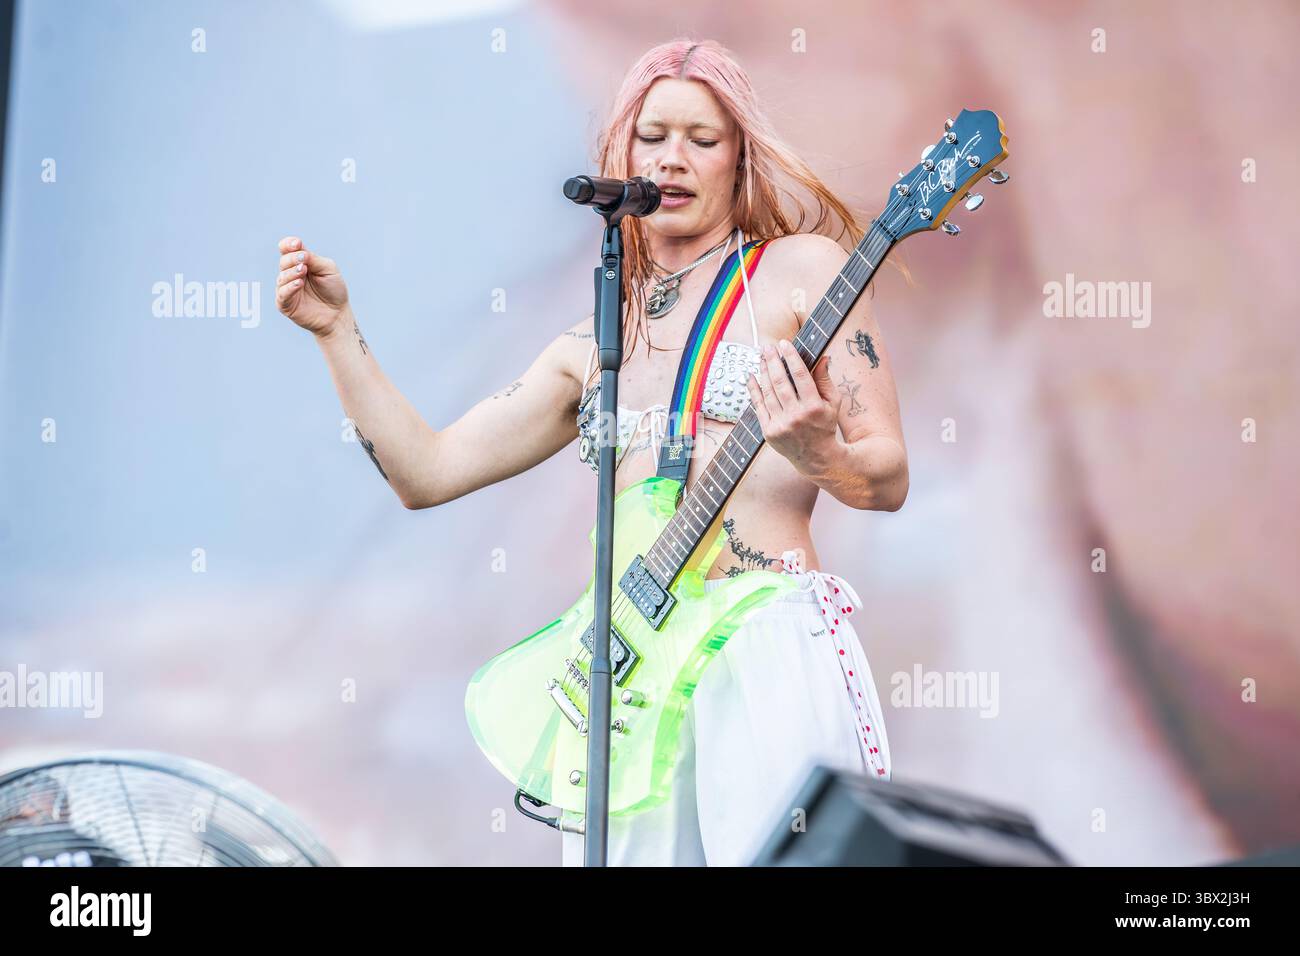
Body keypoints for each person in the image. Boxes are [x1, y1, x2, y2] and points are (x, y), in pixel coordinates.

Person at [274, 38, 908, 866]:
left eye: (701, 139)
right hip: (633, 674)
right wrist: (336, 333)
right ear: (619, 153)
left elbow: (886, 476)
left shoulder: (802, 273)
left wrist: (820, 449)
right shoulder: (595, 345)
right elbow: (425, 473)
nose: (672, 160)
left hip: (760, 640)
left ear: (739, 160)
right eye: (652, 138)